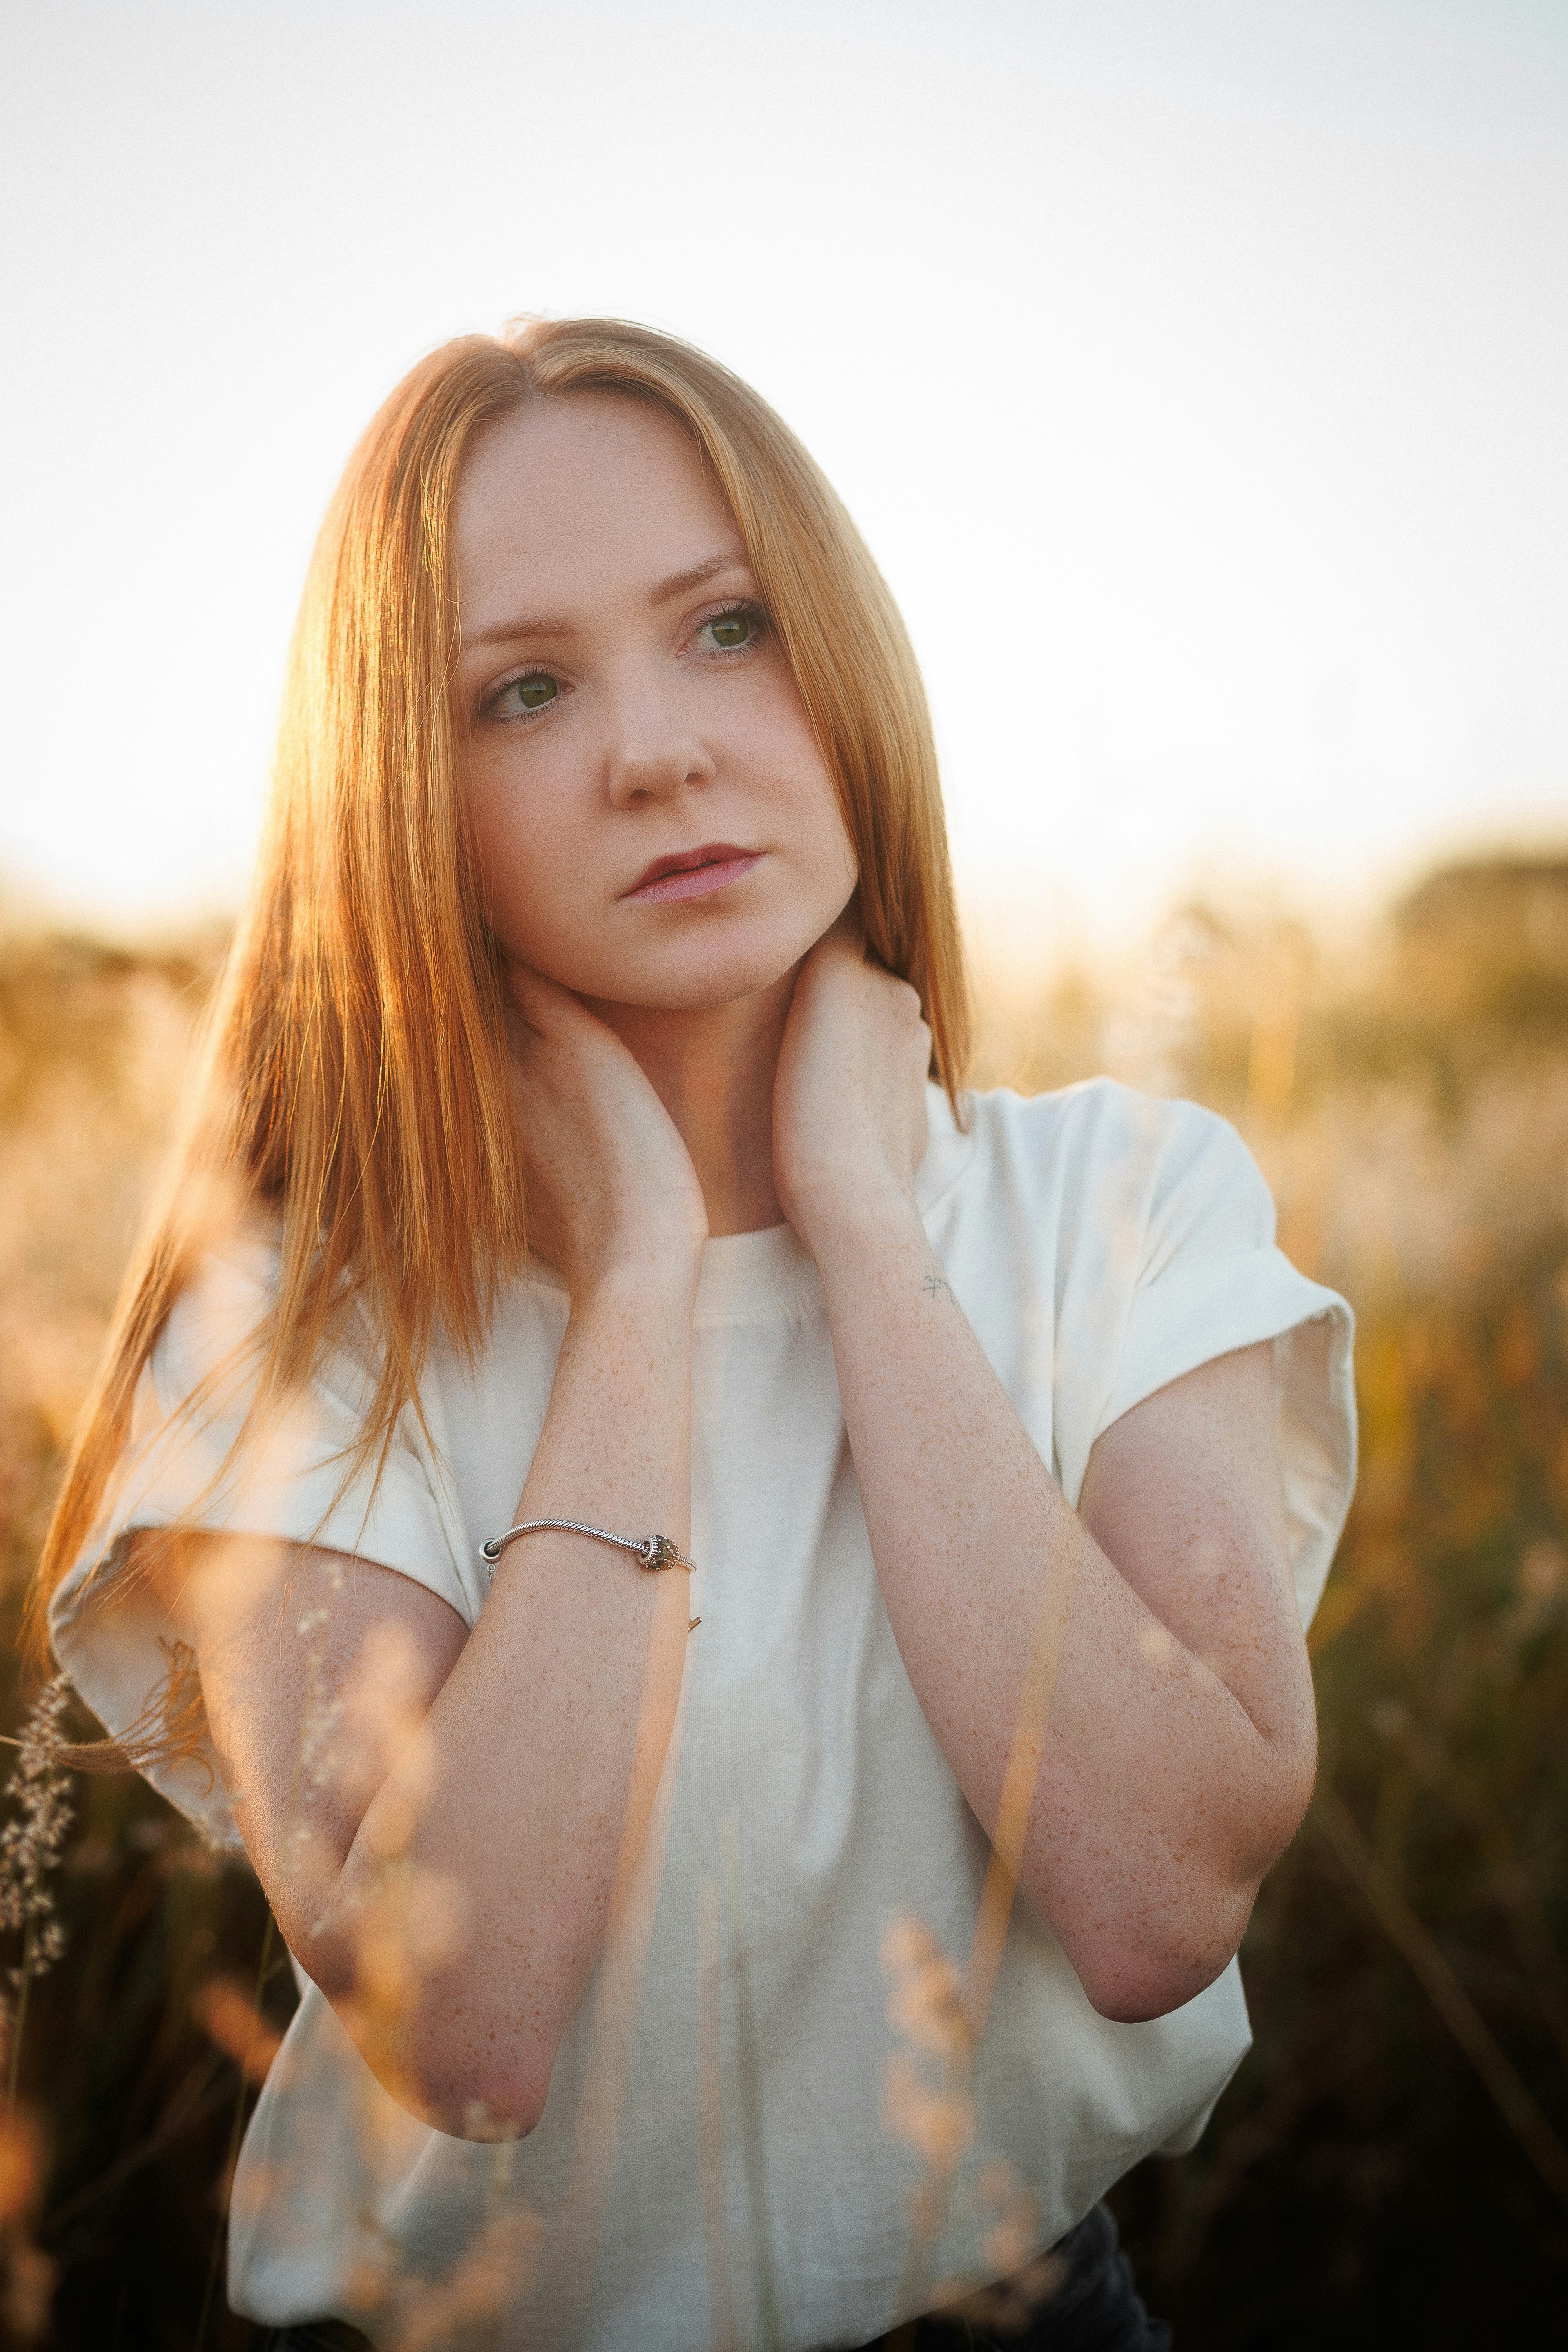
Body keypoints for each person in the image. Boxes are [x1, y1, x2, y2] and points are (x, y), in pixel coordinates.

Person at [34, 318, 1356, 2352]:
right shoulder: (304, 1334)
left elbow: (1160, 1899)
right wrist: (642, 1280)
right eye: (528, 689)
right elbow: (459, 2028)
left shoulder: (1126, 1203)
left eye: (728, 626)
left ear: (839, 658)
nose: (655, 748)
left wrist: (856, 1223)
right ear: (409, 787)